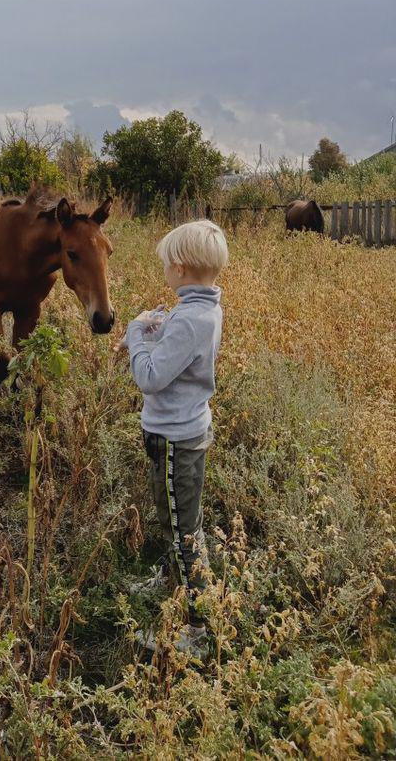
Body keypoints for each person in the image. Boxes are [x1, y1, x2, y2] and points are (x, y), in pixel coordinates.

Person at [115, 219, 228, 658]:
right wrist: (157, 324)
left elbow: (149, 376)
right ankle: (171, 578)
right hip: (185, 431)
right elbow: (182, 336)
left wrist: (136, 333)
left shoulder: (190, 321)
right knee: (174, 515)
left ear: (179, 268)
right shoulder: (203, 309)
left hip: (175, 441)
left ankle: (199, 630)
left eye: (165, 265)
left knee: (183, 528)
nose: (163, 271)